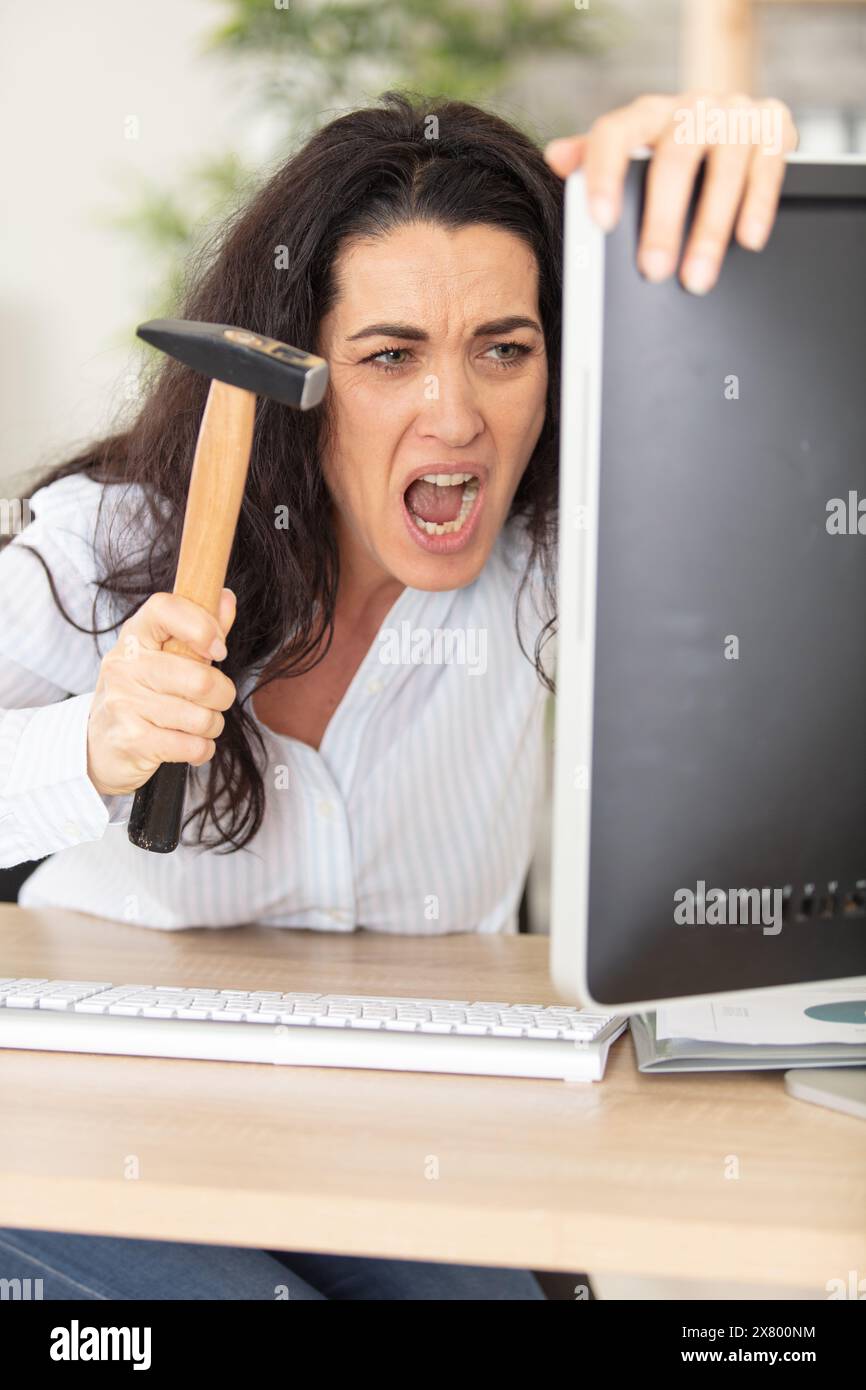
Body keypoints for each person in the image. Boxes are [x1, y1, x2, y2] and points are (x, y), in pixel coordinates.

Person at [0, 89, 797, 1299]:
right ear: (300, 376)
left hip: (418, 1121)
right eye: (389, 356)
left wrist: (739, 195)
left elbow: (797, 497)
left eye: (503, 348)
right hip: (102, 1112)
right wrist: (89, 748)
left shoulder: (563, 552)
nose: (458, 414)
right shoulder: (111, 545)